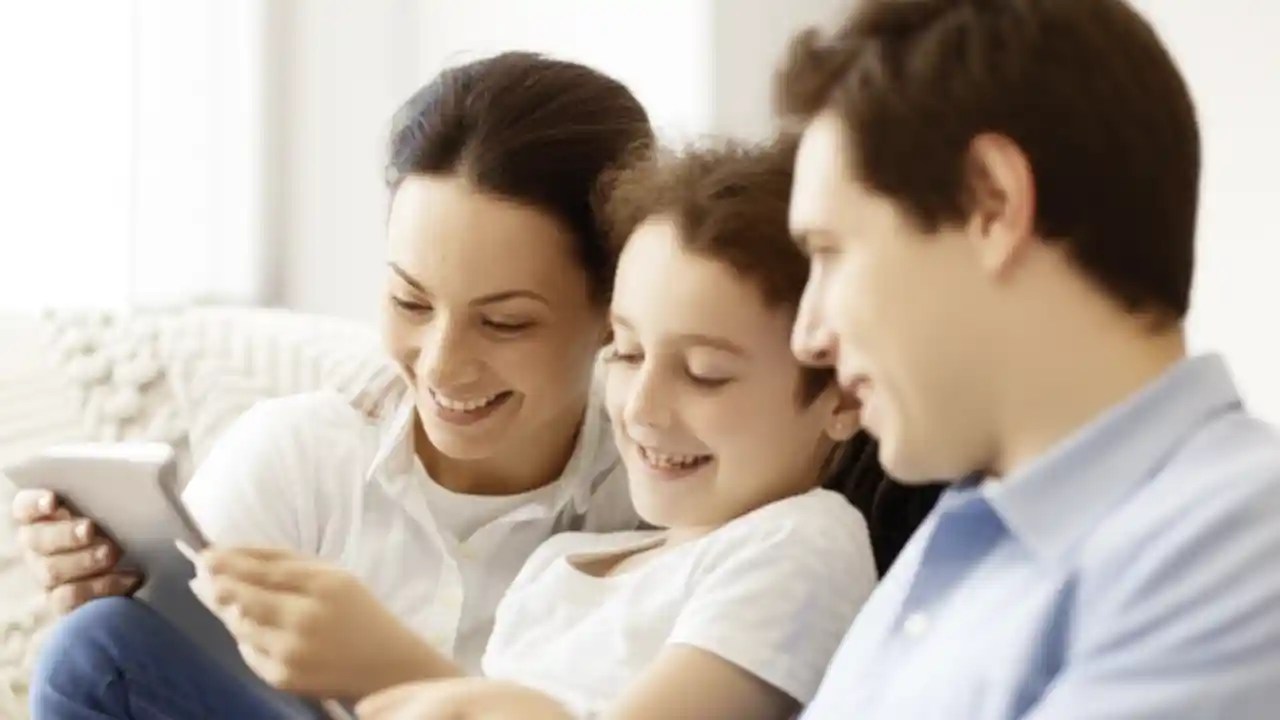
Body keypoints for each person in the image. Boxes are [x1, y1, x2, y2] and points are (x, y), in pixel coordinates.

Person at [16, 52, 655, 718]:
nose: (442, 365)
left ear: (615, 310)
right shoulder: (305, 456)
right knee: (96, 643)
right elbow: (136, 660)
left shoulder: (659, 496)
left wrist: (382, 664)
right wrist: (104, 581)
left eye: (504, 322)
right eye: (411, 302)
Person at [773, 0, 1280, 717]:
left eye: (830, 252)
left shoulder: (1236, 541)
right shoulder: (964, 535)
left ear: (992, 202)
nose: (809, 337)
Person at [354, 141, 878, 720]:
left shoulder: (801, 541)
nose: (642, 410)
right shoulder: (559, 565)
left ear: (843, 395)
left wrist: (407, 675)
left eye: (704, 374)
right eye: (627, 353)